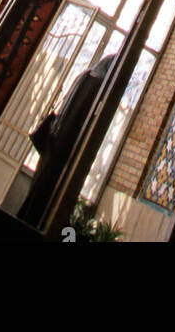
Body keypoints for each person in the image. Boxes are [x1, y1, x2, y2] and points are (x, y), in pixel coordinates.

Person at [17, 53, 113, 227]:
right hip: (62, 148)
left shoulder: (85, 75)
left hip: (53, 141)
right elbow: (79, 119)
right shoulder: (97, 85)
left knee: (37, 191)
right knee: (43, 201)